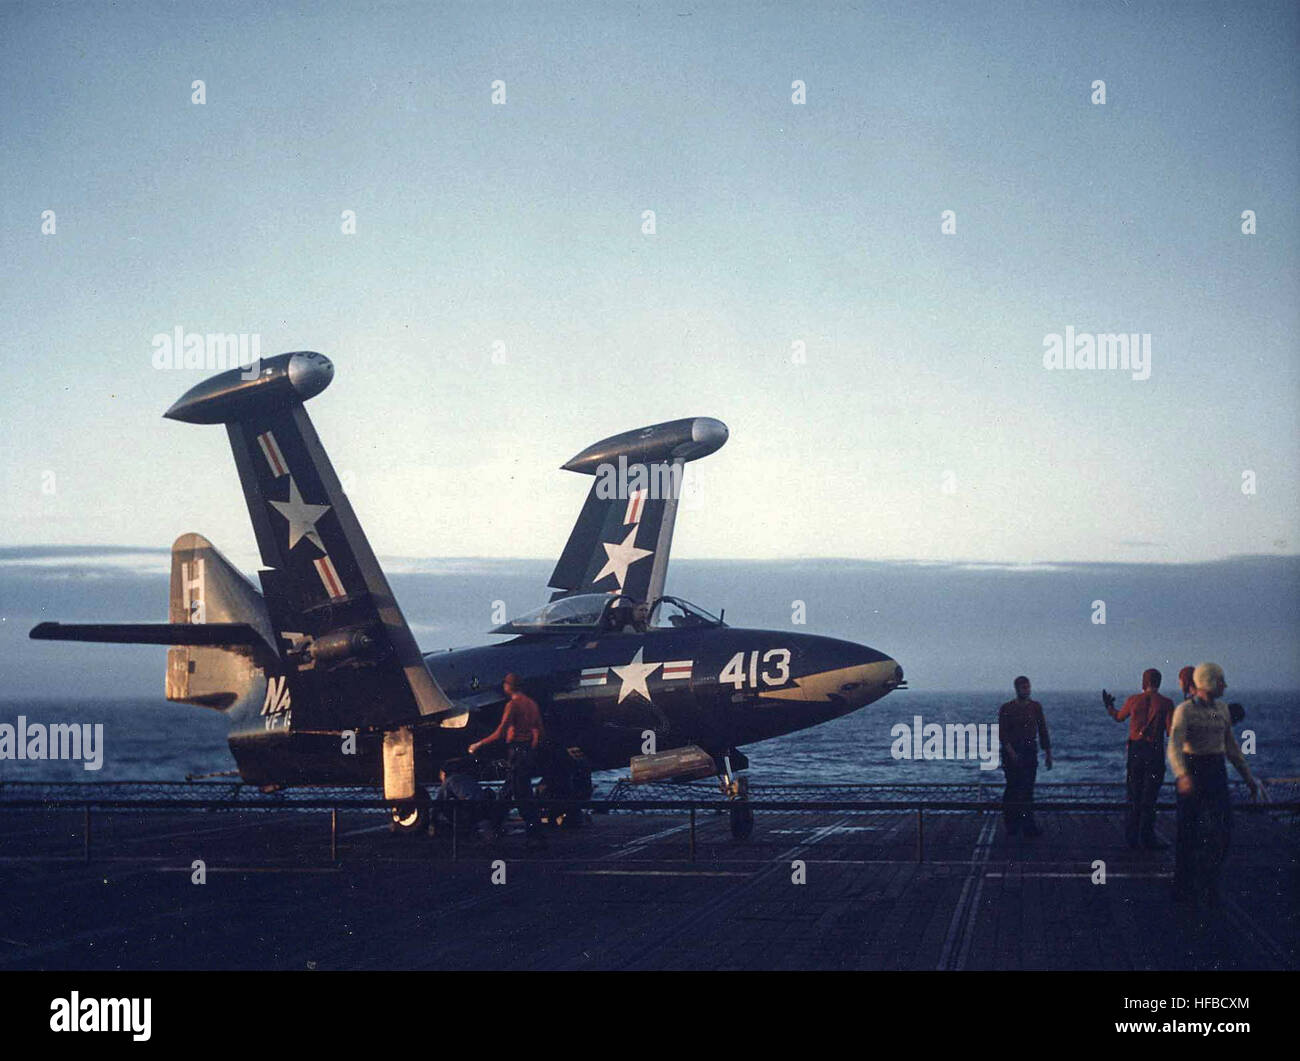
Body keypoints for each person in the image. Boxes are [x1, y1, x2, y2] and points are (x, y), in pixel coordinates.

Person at [1167, 662, 1260, 907]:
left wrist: (1249, 779)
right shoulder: (1184, 711)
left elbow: (1232, 748)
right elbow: (1175, 746)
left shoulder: (1223, 710)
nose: (1225, 686)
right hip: (1193, 769)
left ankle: (1209, 882)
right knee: (1187, 831)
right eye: (1220, 681)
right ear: (1209, 682)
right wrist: (1182, 775)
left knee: (1223, 830)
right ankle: (1183, 886)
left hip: (1215, 771)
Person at [468, 673, 547, 846]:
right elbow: (539, 730)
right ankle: (495, 827)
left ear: (509, 686)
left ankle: (533, 834)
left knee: (519, 794)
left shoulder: (513, 705)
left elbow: (501, 731)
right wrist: (531, 749)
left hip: (517, 752)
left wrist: (478, 744)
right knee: (511, 790)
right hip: (527, 753)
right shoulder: (532, 704)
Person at [1102, 668, 1174, 849]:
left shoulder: (1133, 700)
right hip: (1155, 751)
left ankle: (1131, 837)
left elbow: (1118, 717)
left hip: (1136, 750)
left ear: (1144, 682)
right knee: (1150, 797)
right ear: (1159, 682)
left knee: (1133, 794)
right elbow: (1170, 731)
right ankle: (1147, 838)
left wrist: (1109, 706)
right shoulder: (1166, 703)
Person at [998, 676, 1053, 837]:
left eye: (1028, 687)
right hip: (1012, 751)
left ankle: (1028, 826)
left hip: (1029, 749)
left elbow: (1043, 730)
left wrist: (1048, 754)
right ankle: (1012, 825)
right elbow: (1003, 734)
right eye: (1023, 688)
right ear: (1017, 689)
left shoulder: (1036, 707)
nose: (1027, 690)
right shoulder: (1006, 708)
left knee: (1028, 788)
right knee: (1013, 788)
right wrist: (1011, 753)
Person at [432, 759, 493, 840]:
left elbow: (439, 801)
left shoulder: (449, 781)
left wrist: (432, 819)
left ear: (443, 773)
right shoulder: (468, 779)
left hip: (468, 810)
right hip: (482, 807)